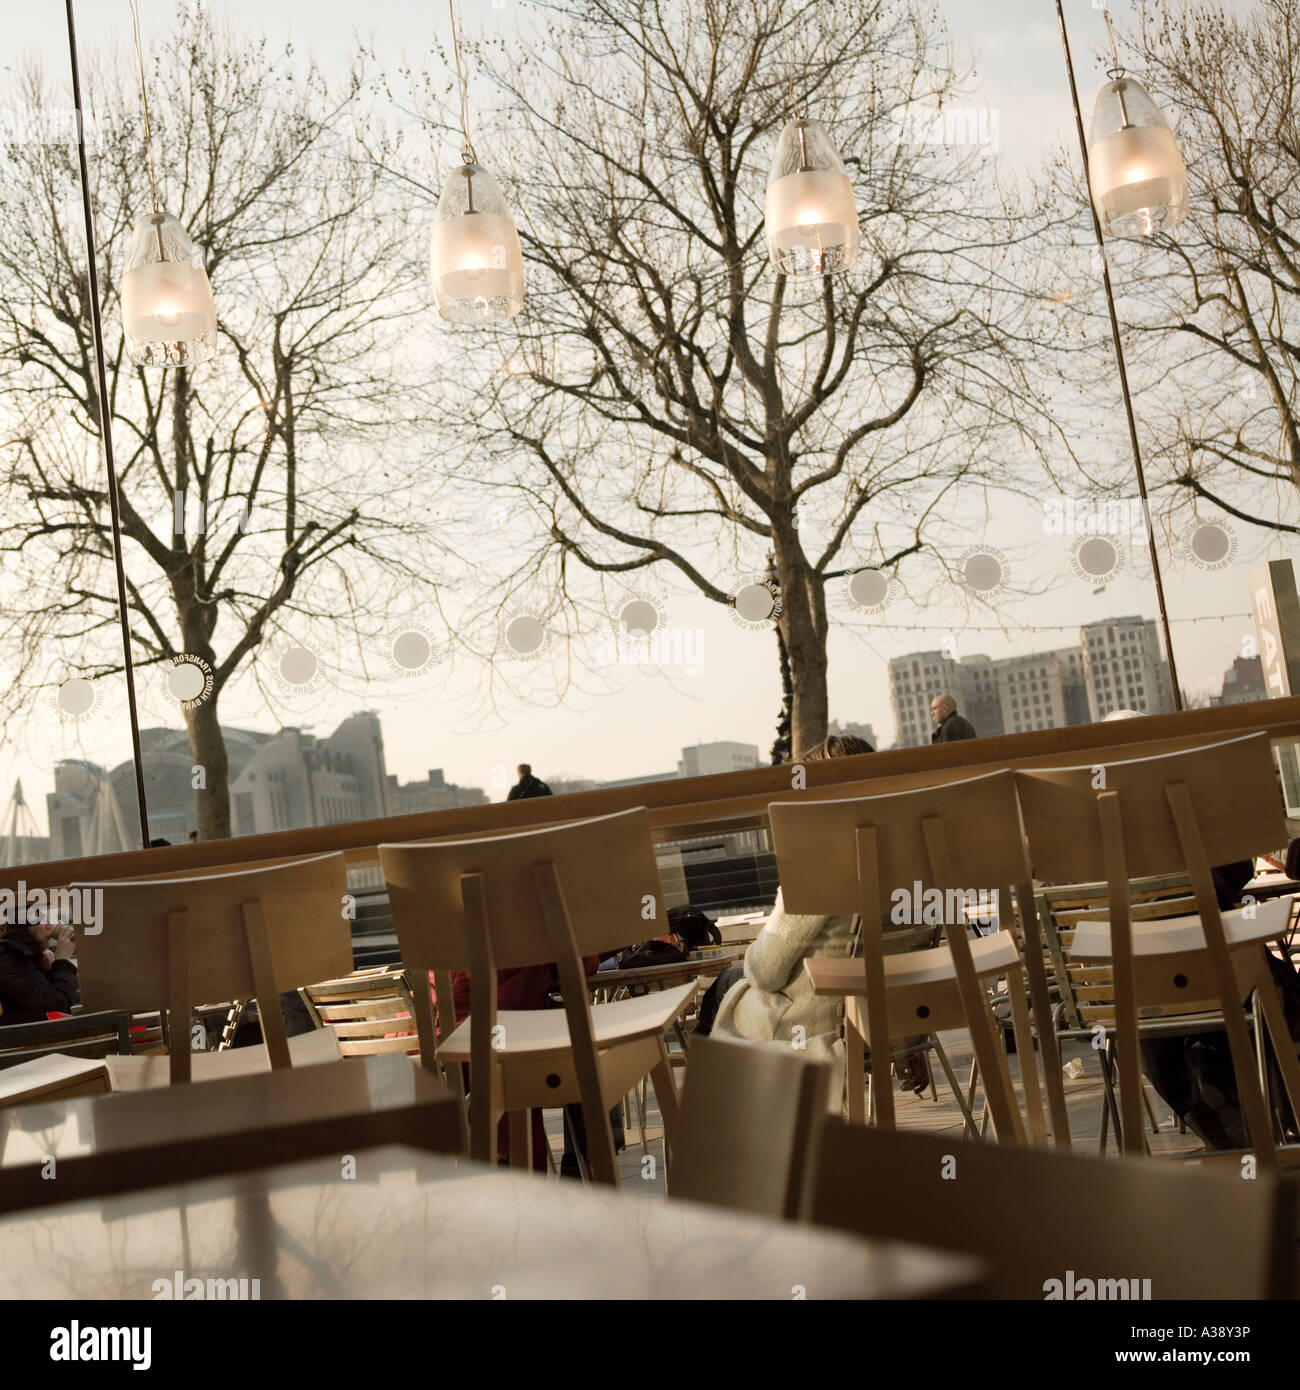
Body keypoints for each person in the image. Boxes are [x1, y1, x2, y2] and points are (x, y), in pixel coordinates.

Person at [710, 734, 911, 1103]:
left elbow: (766, 971)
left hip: (818, 1026)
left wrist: (754, 952)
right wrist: (907, 1042)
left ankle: (719, 1123)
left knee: (727, 985)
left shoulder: (819, 861)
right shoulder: (910, 857)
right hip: (883, 1024)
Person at [0, 905, 79, 1025]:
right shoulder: (8, 958)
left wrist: (49, 971)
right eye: (41, 917)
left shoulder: (21, 956)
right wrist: (63, 960)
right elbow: (59, 1007)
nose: (49, 926)